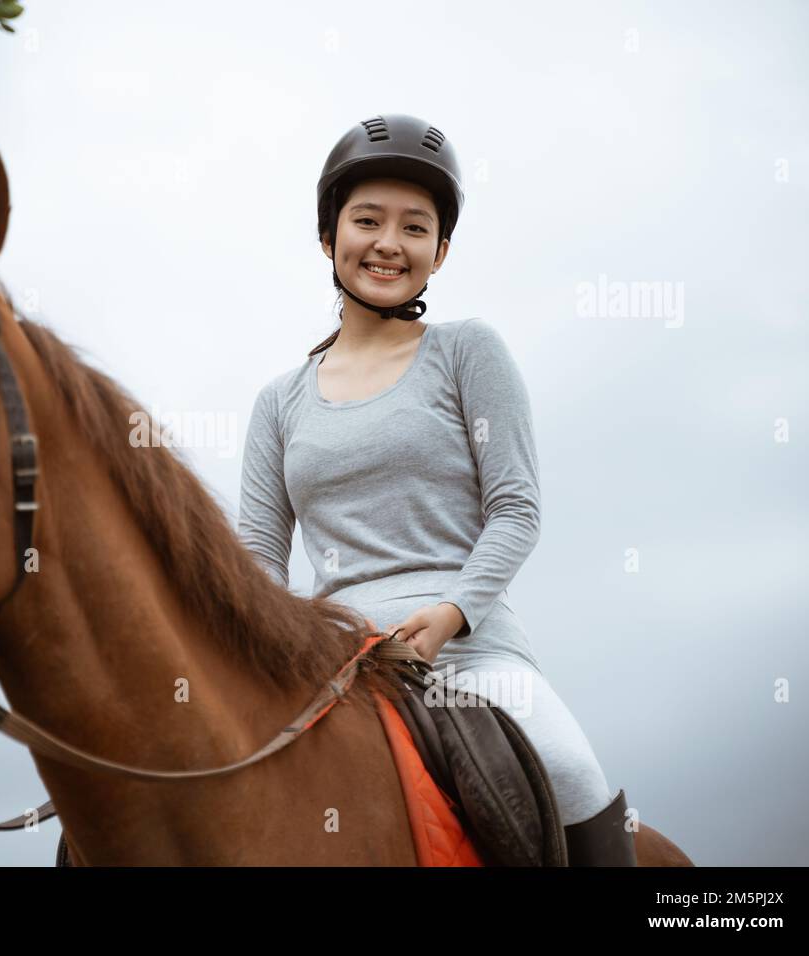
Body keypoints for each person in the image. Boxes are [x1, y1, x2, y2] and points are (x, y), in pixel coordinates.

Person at [237, 113, 636, 866]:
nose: (389, 243)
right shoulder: (278, 402)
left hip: (471, 655)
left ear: (440, 251)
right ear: (328, 237)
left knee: (570, 771)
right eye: (367, 221)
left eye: (415, 228)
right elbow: (258, 556)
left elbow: (516, 508)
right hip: (335, 666)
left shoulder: (466, 351)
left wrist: (453, 613)